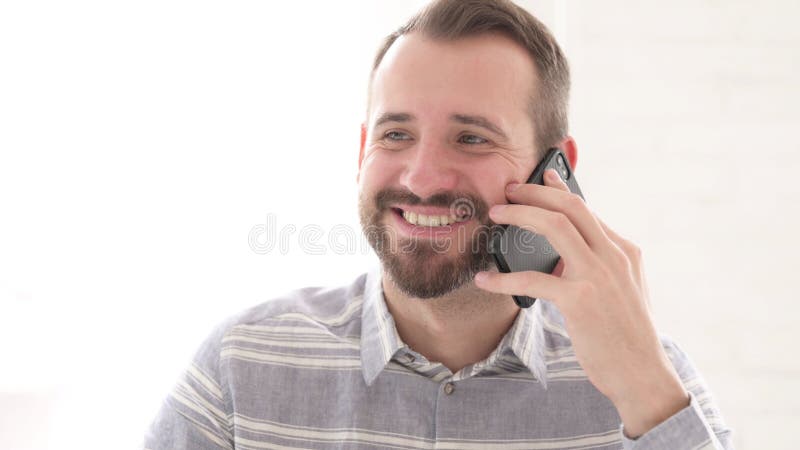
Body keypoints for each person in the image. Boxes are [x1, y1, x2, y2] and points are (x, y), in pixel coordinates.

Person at [143, 0, 734, 448]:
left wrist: (646, 390)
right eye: (396, 134)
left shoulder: (648, 380)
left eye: (472, 138)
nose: (422, 179)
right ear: (360, 155)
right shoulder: (241, 366)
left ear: (556, 171)